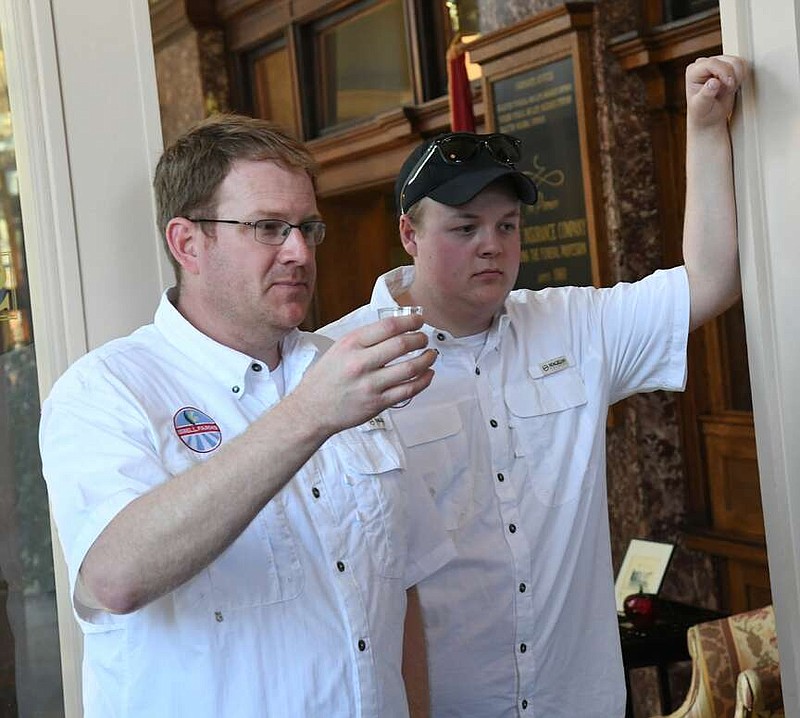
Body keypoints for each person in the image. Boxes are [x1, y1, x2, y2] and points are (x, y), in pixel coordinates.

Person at [320, 55, 747, 717]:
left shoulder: (572, 324)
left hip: (578, 700)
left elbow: (711, 281)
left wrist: (704, 126)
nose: (492, 245)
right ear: (410, 233)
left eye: (507, 226)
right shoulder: (340, 362)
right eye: (465, 228)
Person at [38, 114, 455, 718]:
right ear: (187, 243)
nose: (299, 251)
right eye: (267, 227)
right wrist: (308, 416)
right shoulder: (106, 389)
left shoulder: (338, 365)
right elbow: (114, 578)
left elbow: (402, 585)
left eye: (307, 227)